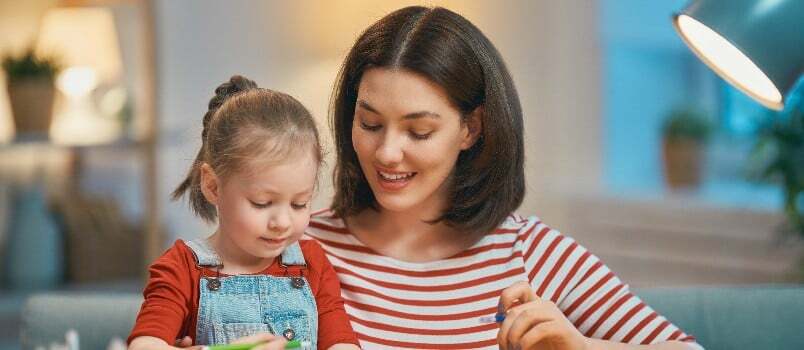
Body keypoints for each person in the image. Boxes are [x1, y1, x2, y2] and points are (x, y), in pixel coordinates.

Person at [305, 6, 704, 350]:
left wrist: (583, 346)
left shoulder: (532, 253)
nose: (388, 152)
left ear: (471, 128)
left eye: (419, 132)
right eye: (370, 123)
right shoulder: (299, 246)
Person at [128, 76, 360, 350]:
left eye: (299, 204)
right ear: (213, 186)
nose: (282, 222)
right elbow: (144, 346)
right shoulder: (182, 268)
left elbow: (343, 344)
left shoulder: (312, 264)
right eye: (262, 203)